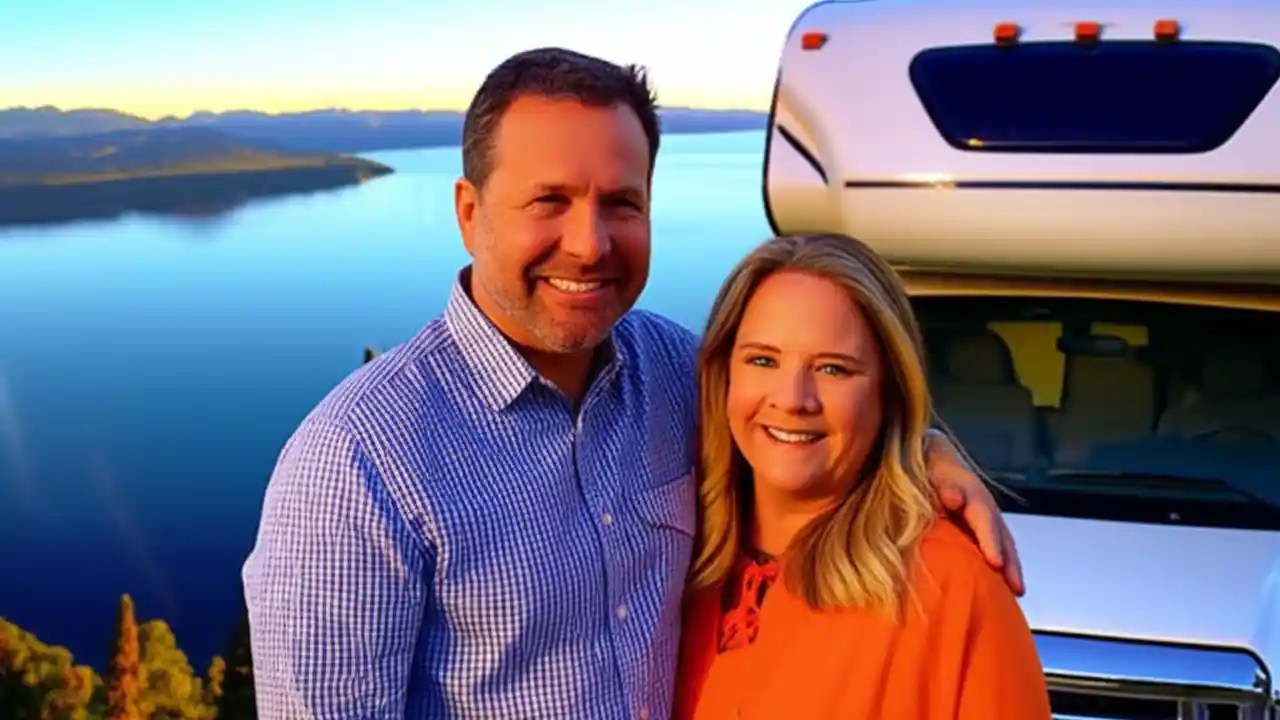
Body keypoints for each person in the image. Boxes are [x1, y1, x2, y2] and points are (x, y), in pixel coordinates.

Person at [241, 47, 1025, 719]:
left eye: (621, 204)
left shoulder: (674, 374)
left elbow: (796, 409)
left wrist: (921, 448)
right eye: (549, 201)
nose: (589, 245)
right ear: (470, 213)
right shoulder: (354, 466)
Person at [674, 233, 1049, 719]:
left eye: (833, 369)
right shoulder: (675, 558)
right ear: (723, 374)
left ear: (890, 393)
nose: (792, 399)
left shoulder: (951, 589)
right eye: (763, 360)